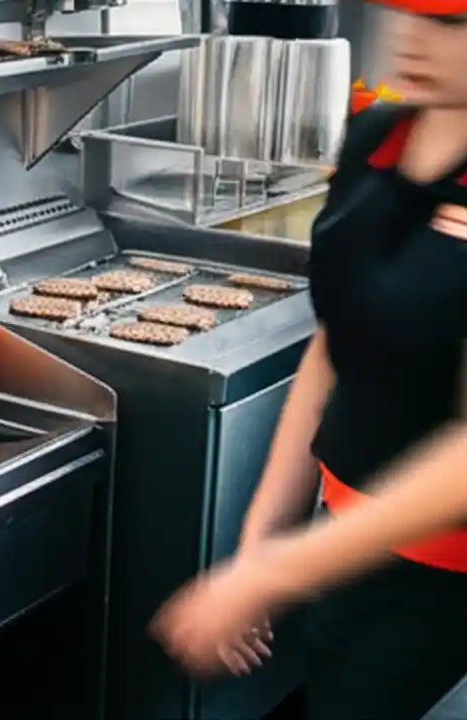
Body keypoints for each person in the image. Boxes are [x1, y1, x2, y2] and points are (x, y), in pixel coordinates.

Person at [151, 3, 467, 719]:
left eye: (450, 22)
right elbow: (337, 345)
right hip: (349, 538)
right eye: (405, 12)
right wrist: (259, 547)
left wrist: (270, 576)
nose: (411, 38)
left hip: (445, 575)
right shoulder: (379, 137)